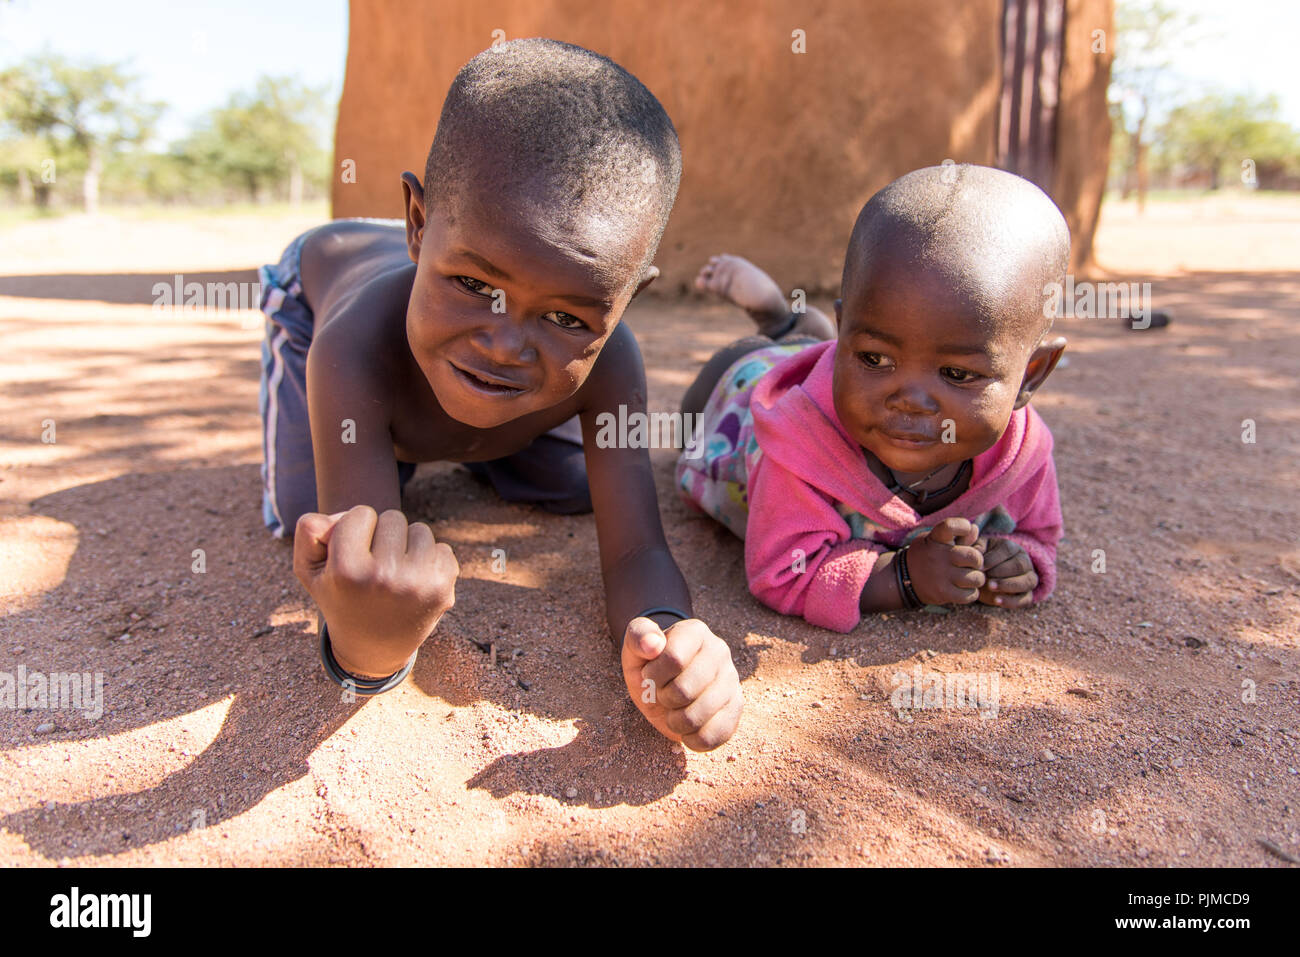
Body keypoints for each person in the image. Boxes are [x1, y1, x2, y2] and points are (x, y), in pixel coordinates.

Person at [258, 38, 741, 751]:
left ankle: (480, 435)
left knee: (574, 483)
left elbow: (637, 551)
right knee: (312, 524)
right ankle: (432, 437)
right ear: (418, 226)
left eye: (568, 318)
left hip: (447, 274)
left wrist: (671, 640)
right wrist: (364, 651)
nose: (504, 342)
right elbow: (361, 585)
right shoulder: (354, 345)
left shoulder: (613, 366)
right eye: (474, 285)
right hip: (322, 282)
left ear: (624, 302)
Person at [676, 164, 1068, 633]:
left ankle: (803, 330)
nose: (909, 399)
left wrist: (1015, 563)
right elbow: (782, 573)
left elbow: (1038, 538)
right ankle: (782, 325)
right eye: (875, 358)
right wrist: (904, 578)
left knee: (835, 347)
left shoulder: (1022, 455)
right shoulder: (802, 446)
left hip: (832, 368)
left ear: (1031, 375)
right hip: (740, 394)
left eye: (957, 373)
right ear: (846, 339)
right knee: (693, 414)